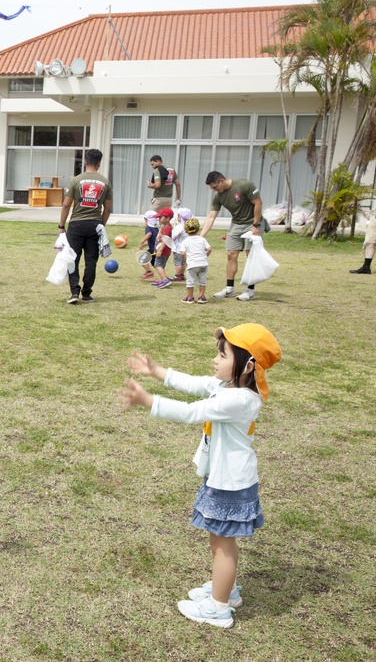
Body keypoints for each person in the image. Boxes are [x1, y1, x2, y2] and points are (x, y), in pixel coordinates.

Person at [117, 324, 282, 629]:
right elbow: (195, 384)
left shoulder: (238, 400)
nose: (215, 360)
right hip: (223, 477)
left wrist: (149, 401)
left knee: (223, 545)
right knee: (219, 541)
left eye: (223, 355)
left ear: (247, 366)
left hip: (230, 483)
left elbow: (192, 412)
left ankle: (219, 608)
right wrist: (158, 371)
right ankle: (226, 592)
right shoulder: (229, 387)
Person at [59, 148, 113, 304]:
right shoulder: (105, 182)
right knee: (91, 261)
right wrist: (101, 225)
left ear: (84, 162)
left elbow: (66, 205)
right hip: (95, 224)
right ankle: (87, 294)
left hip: (76, 224)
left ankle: (74, 292)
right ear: (99, 164)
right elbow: (107, 208)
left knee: (72, 259)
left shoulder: (76, 180)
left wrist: (61, 225)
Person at [201, 171, 263, 301]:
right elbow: (211, 216)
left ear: (221, 181)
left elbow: (258, 203)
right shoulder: (218, 197)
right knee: (231, 254)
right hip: (236, 224)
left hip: (252, 222)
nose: (214, 190)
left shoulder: (244, 185)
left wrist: (255, 225)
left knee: (250, 255)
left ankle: (250, 291)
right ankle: (229, 289)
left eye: (214, 187)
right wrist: (201, 236)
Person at [179, 217, 212, 304]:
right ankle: (201, 296)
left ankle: (190, 297)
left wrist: (186, 261)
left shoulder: (185, 241)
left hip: (192, 264)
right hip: (203, 263)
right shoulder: (202, 239)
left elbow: (182, 253)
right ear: (198, 229)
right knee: (202, 280)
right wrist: (205, 256)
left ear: (186, 230)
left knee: (190, 281)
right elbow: (209, 249)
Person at [139, 209, 158, 280]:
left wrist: (142, 241)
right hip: (155, 250)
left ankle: (149, 272)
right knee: (156, 265)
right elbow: (153, 240)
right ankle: (163, 276)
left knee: (142, 260)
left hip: (152, 250)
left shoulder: (148, 228)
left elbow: (149, 234)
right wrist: (145, 244)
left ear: (147, 220)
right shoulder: (156, 229)